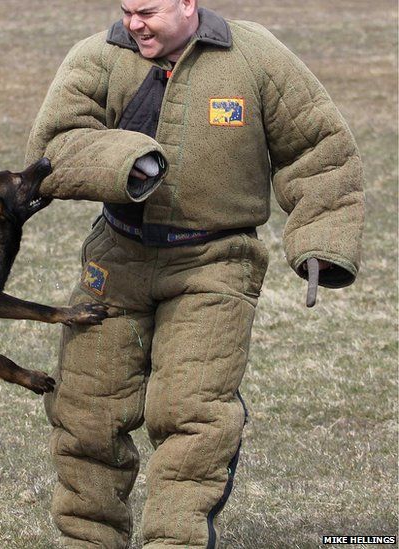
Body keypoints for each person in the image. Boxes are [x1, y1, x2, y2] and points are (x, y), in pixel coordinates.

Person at [25, 0, 365, 547]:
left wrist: (321, 240)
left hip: (215, 263)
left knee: (190, 414)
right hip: (116, 258)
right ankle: (87, 539)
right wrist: (127, 161)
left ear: (188, 3)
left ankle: (175, 540)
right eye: (126, 9)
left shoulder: (253, 56)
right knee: (86, 410)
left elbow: (318, 149)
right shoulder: (98, 57)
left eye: (149, 11)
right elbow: (53, 147)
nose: (135, 23)